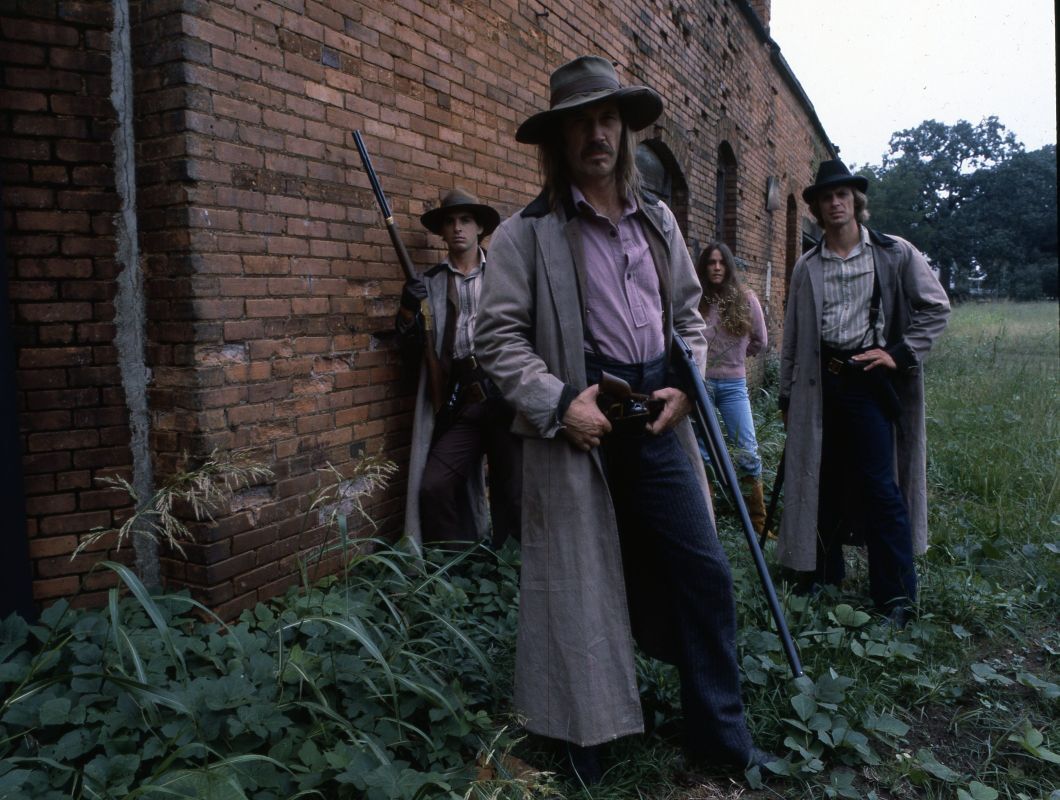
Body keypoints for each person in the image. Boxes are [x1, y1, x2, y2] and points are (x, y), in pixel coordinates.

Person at [474, 55, 771, 784]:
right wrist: (555, 402)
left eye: (606, 118)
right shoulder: (526, 234)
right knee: (582, 583)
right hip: (583, 420)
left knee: (702, 573)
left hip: (659, 417)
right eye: (579, 122)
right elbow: (496, 339)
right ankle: (586, 741)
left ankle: (720, 740)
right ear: (558, 139)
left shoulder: (659, 221)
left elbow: (685, 319)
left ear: (625, 131)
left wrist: (685, 384)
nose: (595, 133)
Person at [778, 159, 950, 627]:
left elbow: (935, 308)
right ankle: (821, 577)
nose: (835, 203)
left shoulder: (895, 253)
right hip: (820, 387)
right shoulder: (807, 266)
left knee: (880, 488)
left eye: (843, 195)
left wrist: (899, 352)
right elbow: (793, 338)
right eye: (825, 198)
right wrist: (787, 397)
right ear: (814, 208)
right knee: (821, 482)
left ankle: (895, 598)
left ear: (856, 202)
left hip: (869, 385)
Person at [396, 189, 521, 547]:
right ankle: (455, 565)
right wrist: (407, 308)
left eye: (465, 220)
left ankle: (511, 572)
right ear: (442, 232)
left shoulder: (504, 274)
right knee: (434, 486)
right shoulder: (432, 282)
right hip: (461, 404)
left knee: (514, 491)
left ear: (480, 227)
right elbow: (408, 348)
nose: (457, 228)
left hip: (504, 395)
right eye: (450, 222)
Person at [695, 241, 769, 533]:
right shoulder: (696, 299)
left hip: (733, 386)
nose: (716, 267)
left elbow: (759, 341)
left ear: (728, 266)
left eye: (721, 262)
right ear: (703, 268)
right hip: (701, 386)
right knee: (702, 454)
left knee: (747, 451)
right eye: (711, 263)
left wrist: (737, 359)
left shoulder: (745, 299)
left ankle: (758, 523)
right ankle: (707, 522)